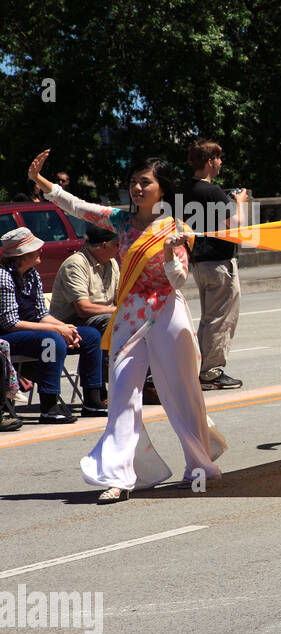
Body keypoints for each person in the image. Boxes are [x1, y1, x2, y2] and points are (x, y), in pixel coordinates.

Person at [31, 152, 227, 501]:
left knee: (182, 392)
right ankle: (119, 476)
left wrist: (169, 254)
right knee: (122, 393)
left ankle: (199, 466)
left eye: (145, 182)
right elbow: (80, 207)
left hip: (168, 313)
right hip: (129, 316)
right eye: (134, 181)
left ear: (161, 189)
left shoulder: (177, 228)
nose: (136, 187)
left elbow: (179, 280)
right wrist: (45, 185)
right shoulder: (121, 222)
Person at [0, 226, 107, 423]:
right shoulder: (4, 276)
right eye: (34, 249)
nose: (40, 250)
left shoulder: (32, 275)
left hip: (32, 331)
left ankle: (93, 399)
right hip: (8, 338)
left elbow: (41, 314)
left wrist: (67, 328)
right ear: (20, 255)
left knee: (91, 336)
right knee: (51, 340)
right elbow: (10, 323)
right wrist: (57, 330)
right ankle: (49, 406)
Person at [178, 139, 248, 391]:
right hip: (219, 263)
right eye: (218, 159)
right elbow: (235, 225)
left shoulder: (183, 190)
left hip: (197, 261)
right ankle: (211, 372)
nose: (220, 163)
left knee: (209, 317)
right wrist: (239, 202)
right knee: (221, 318)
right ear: (209, 162)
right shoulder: (212, 192)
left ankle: (202, 367)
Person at [49, 223, 119, 405]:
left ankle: (145, 382)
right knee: (109, 321)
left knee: (142, 319)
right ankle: (99, 387)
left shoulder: (111, 263)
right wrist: (118, 311)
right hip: (70, 322)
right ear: (104, 245)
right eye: (117, 244)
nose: (120, 247)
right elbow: (83, 308)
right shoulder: (76, 264)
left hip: (102, 318)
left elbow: (120, 300)